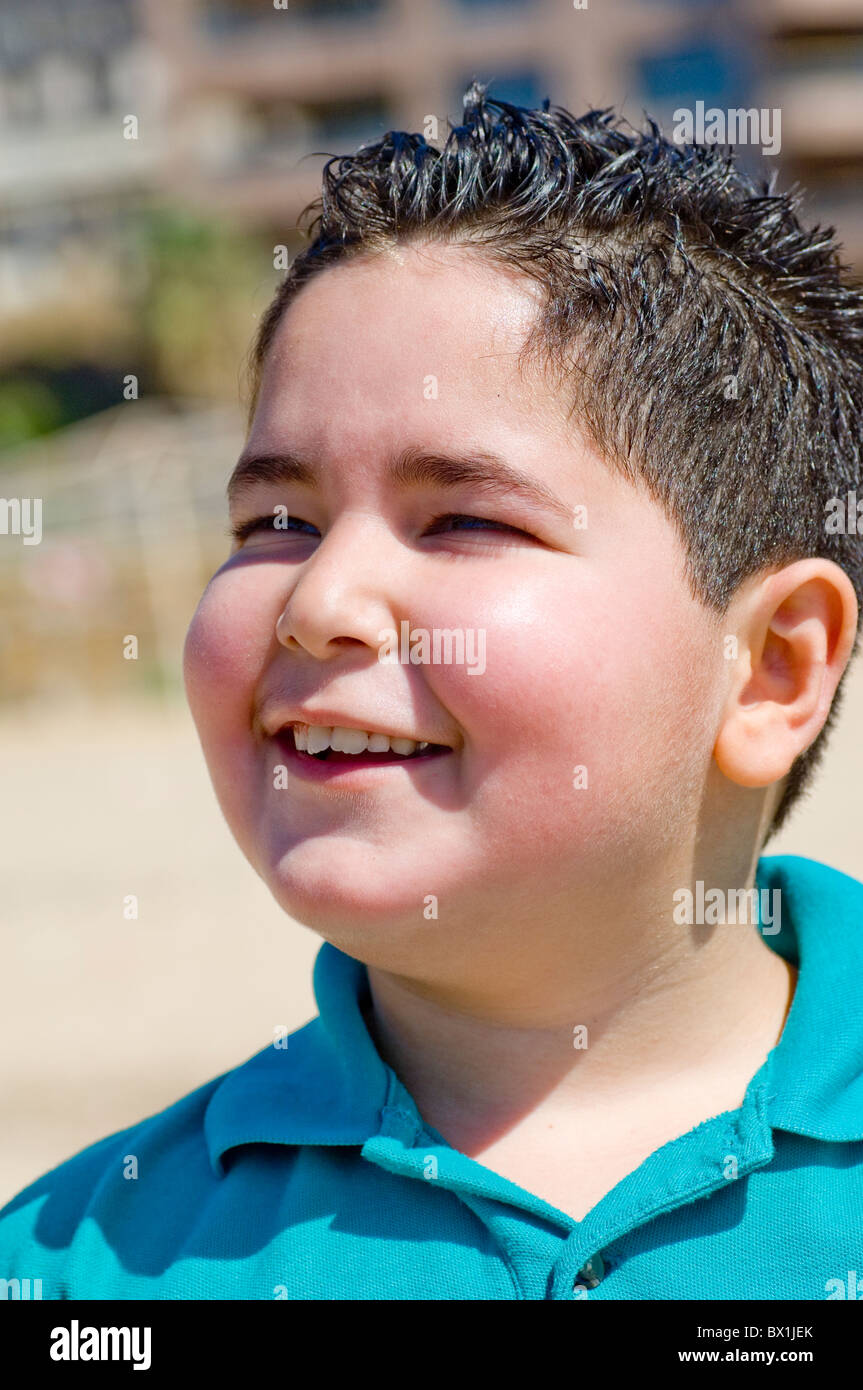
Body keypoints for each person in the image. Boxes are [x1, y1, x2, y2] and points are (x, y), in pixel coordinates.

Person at [2, 82, 862, 1301]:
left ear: (772, 665)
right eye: (276, 520)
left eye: (460, 518)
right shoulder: (83, 1264)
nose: (317, 601)